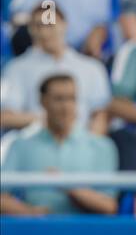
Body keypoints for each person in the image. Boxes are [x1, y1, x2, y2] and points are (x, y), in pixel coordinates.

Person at [0, 74, 118, 216]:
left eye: (71, 98)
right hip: (35, 232)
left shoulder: (102, 146)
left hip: (85, 233)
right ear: (43, 101)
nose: (66, 106)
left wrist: (68, 186)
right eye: (59, 99)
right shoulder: (19, 145)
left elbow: (109, 206)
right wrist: (29, 212)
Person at [1, 3, 111, 135]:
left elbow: (100, 114)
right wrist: (48, 120)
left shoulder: (92, 68)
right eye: (37, 26)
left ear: (64, 25)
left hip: (82, 143)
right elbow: (5, 116)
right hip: (36, 144)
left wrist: (89, 146)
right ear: (31, 30)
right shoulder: (16, 68)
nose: (44, 31)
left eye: (49, 24)